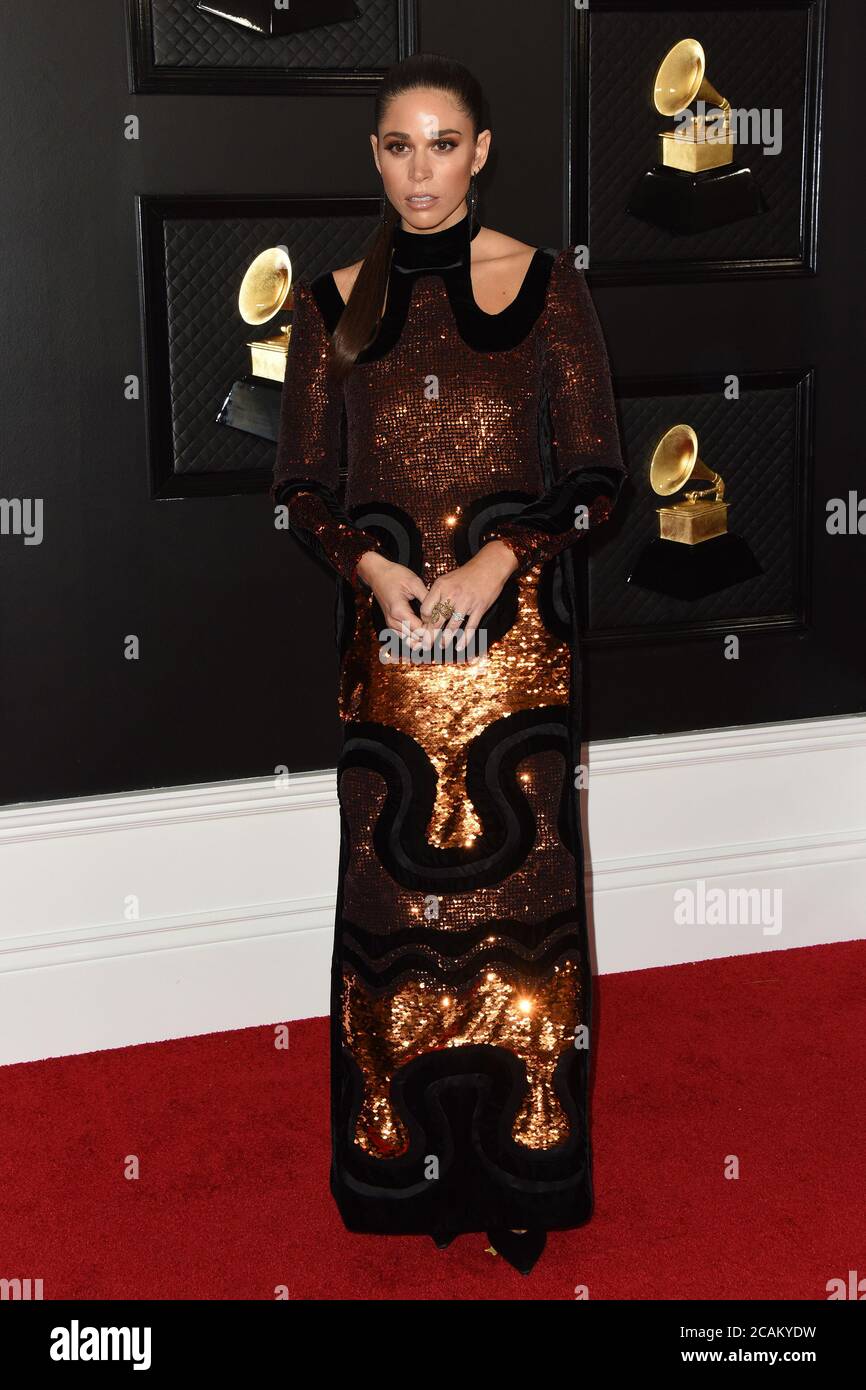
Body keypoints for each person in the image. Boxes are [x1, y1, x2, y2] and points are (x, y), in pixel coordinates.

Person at [271, 52, 628, 1276]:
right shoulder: (332, 305)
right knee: (394, 923)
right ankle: (401, 1165)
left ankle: (520, 1169)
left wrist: (501, 561)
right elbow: (300, 492)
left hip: (518, 668)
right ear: (373, 157)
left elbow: (596, 485)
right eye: (395, 146)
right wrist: (372, 573)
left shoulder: (549, 286)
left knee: (521, 928)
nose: (417, 170)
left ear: (479, 153)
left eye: (440, 144)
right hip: (388, 674)